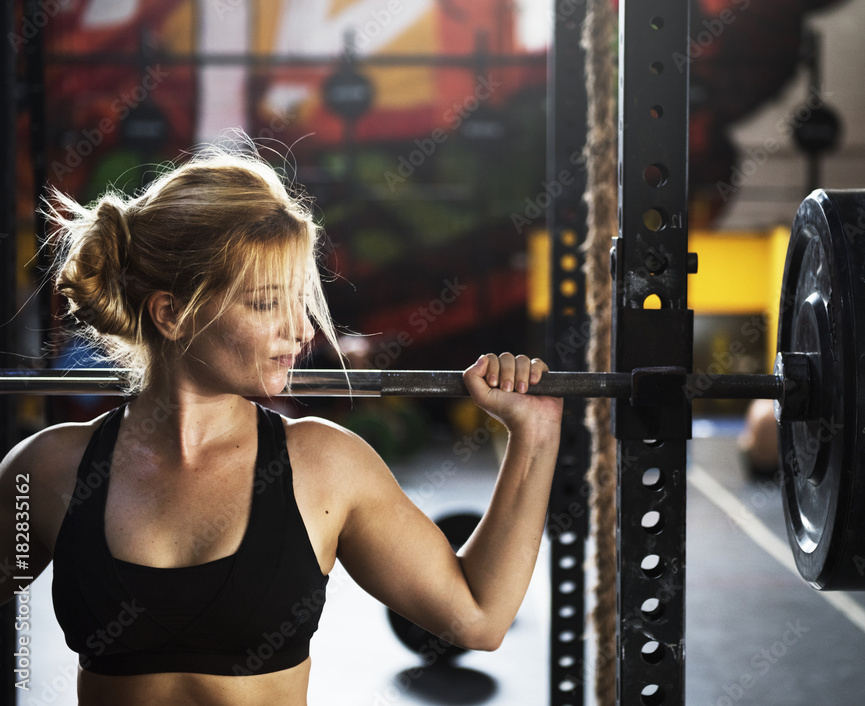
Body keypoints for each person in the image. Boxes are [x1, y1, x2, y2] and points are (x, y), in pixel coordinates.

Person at [0, 141, 563, 705]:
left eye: (299, 300)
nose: (301, 330)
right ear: (171, 314)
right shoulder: (45, 472)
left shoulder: (326, 466)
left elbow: (478, 617)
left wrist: (534, 436)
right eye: (267, 303)